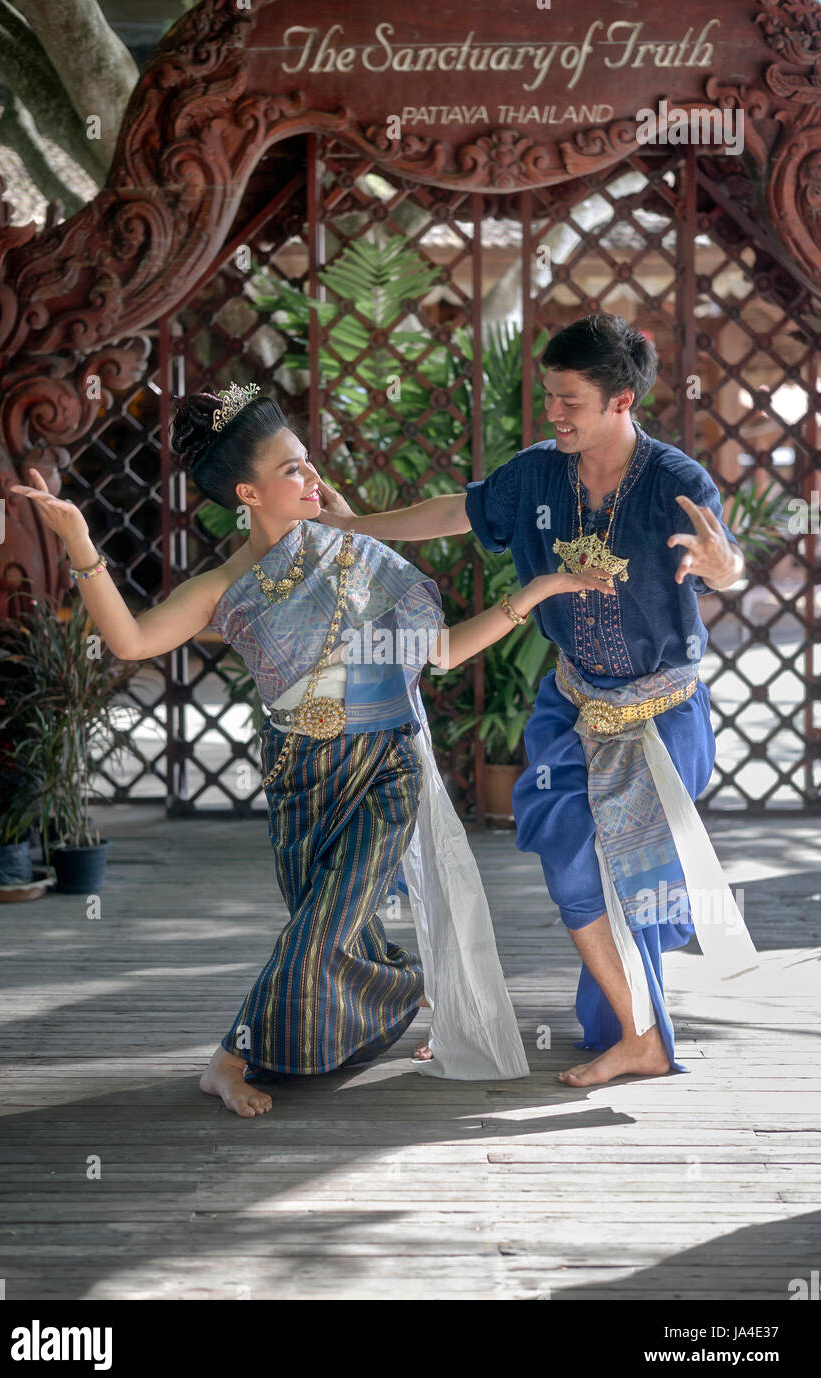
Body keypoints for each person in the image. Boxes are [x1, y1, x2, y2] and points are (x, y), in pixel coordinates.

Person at [10, 381, 613, 1118]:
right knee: (334, 931)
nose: (314, 479)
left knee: (324, 924)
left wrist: (544, 587)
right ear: (247, 493)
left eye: (308, 461)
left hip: (386, 764)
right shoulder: (225, 586)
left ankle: (227, 1060)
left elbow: (447, 650)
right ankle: (398, 996)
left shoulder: (360, 555)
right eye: (292, 469)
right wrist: (78, 543)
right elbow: (130, 640)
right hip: (303, 778)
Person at [318, 312, 759, 1088]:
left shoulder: (677, 482)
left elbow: (720, 560)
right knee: (569, 859)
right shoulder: (534, 475)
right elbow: (459, 510)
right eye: (549, 397)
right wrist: (353, 524)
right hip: (572, 704)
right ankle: (640, 1034)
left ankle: (629, 1031)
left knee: (642, 878)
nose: (553, 414)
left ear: (622, 402)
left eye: (571, 402)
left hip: (664, 712)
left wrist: (727, 570)